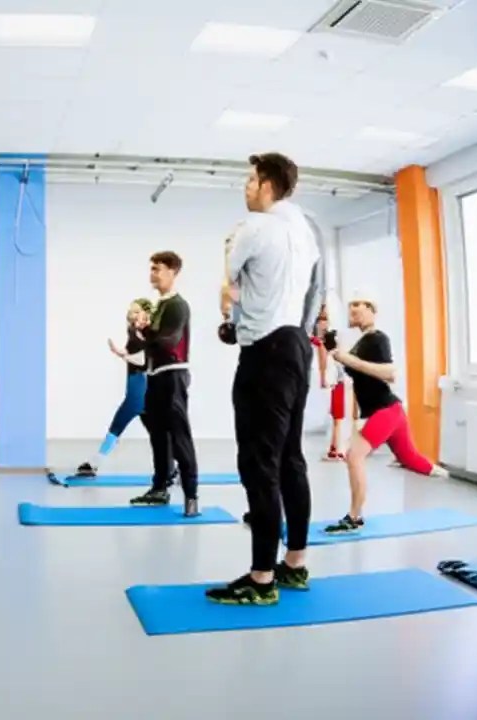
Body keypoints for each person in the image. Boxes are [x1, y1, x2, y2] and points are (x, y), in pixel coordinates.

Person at [206, 152, 323, 606]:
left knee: (260, 465)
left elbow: (228, 286)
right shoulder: (306, 233)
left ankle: (260, 579)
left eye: (252, 181)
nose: (246, 187)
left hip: (265, 353)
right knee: (290, 458)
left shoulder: (255, 227)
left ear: (269, 185)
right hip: (296, 345)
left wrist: (227, 251)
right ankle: (294, 565)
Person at [322, 297, 448, 534]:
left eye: (357, 306)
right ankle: (448, 478)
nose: (352, 310)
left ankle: (354, 517)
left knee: (354, 456)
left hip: (387, 410)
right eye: (350, 307)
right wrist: (358, 418)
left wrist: (347, 359)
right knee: (410, 459)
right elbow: (358, 380)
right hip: (388, 412)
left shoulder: (378, 338)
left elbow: (389, 373)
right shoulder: (362, 343)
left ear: (371, 309)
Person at [130, 253, 200, 517]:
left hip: (173, 376)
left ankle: (191, 495)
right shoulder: (159, 306)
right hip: (156, 375)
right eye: (151, 269)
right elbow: (154, 340)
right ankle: (160, 488)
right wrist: (142, 330)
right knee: (159, 436)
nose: (153, 273)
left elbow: (169, 342)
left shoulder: (178, 306)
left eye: (157, 269)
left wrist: (148, 335)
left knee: (180, 436)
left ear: (172, 272)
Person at [75, 298, 153, 477]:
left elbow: (144, 361)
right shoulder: (134, 333)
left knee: (118, 425)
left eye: (137, 312)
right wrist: (123, 353)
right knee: (157, 433)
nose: (134, 317)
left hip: (139, 389)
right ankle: (174, 468)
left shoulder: (150, 335)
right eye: (132, 313)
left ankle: (94, 464)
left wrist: (122, 354)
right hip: (138, 386)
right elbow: (138, 356)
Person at [312, 310, 349, 461]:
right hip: (336, 380)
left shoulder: (330, 339)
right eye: (320, 320)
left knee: (338, 416)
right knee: (336, 416)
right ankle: (336, 448)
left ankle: (338, 448)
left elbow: (326, 361)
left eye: (324, 319)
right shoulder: (320, 340)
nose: (322, 323)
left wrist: (323, 378)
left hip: (339, 380)